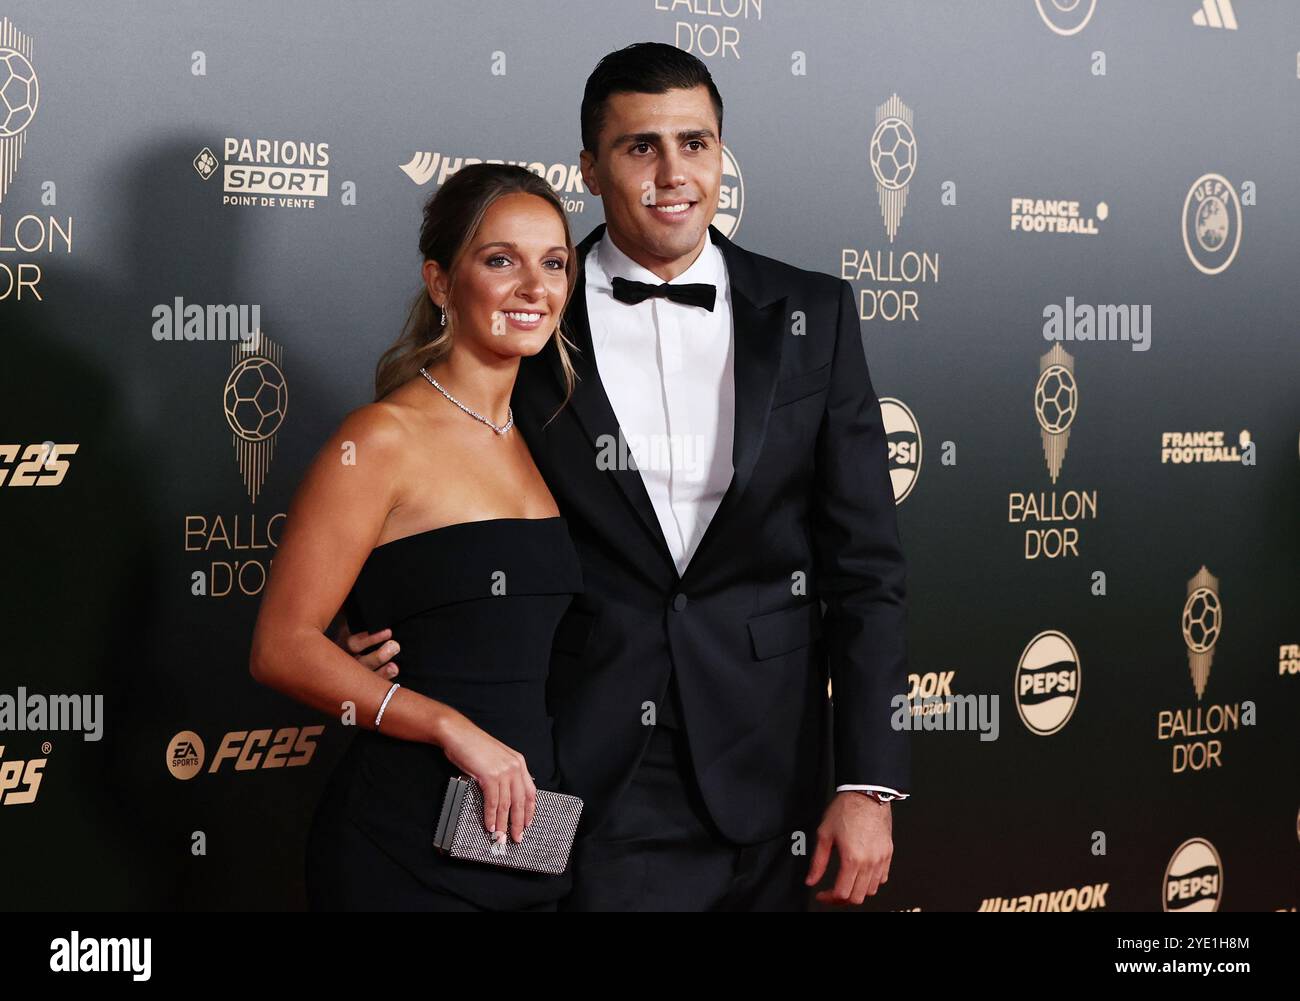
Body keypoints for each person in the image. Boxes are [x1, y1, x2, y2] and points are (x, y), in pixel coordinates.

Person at [345, 41, 912, 911]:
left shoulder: (814, 315)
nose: (673, 171)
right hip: (585, 761)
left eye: (696, 142)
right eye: (640, 146)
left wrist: (868, 782)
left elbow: (867, 569)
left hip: (777, 767)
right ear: (589, 166)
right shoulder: (528, 317)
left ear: (723, 153)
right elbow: (428, 474)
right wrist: (372, 628)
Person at [249, 163, 584, 911]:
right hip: (400, 849)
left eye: (553, 262)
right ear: (440, 282)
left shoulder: (547, 439)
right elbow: (280, 646)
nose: (534, 286)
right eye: (501, 260)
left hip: (525, 843)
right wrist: (449, 726)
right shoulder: (381, 439)